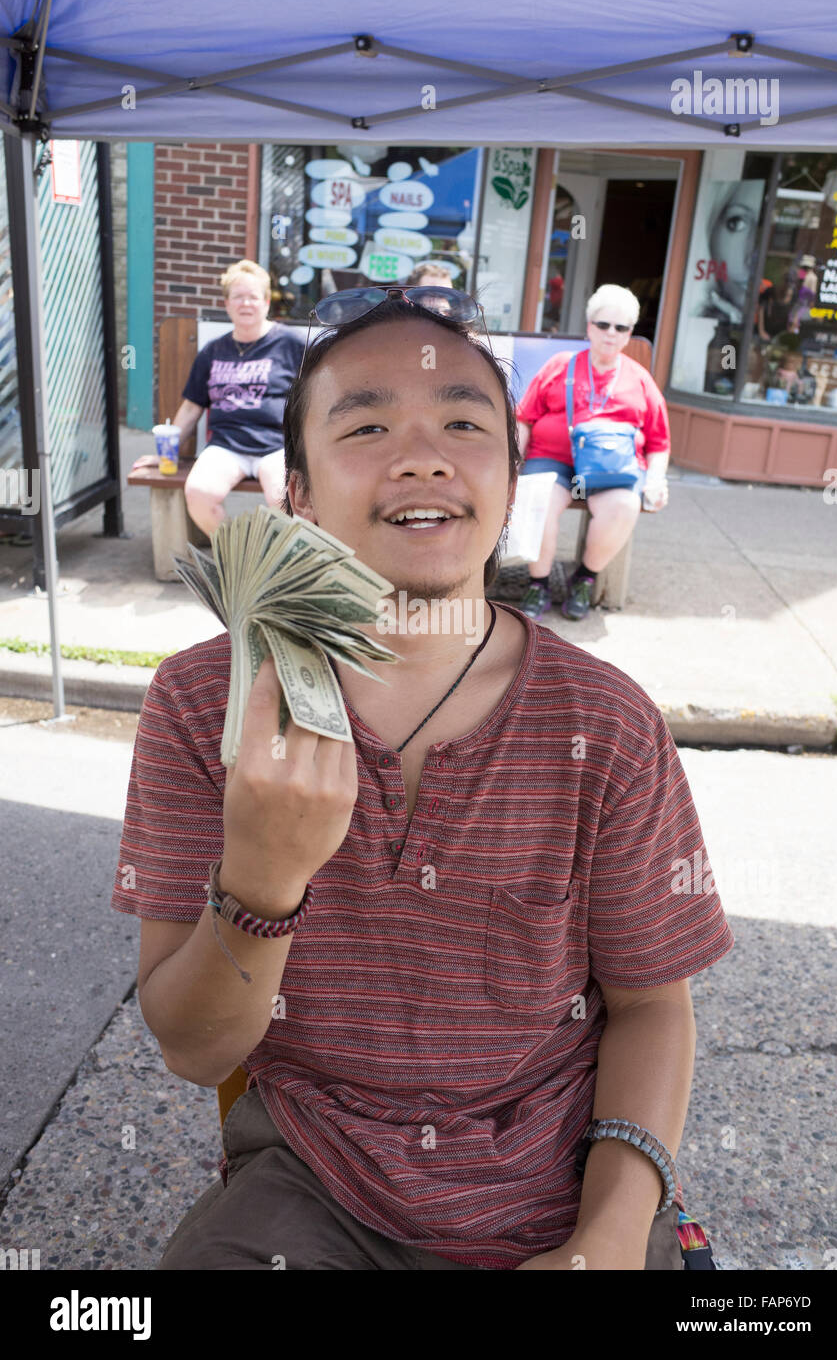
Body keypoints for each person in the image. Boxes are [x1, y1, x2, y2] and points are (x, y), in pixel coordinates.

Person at [111, 287, 733, 1271]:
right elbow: (195, 1048)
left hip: (564, 1178)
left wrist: (607, 1238)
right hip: (315, 1181)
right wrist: (264, 882)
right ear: (298, 491)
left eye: (462, 423)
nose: (425, 455)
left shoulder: (606, 720)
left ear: (511, 470)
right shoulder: (203, 704)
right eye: (366, 423)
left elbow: (654, 1005)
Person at [514, 283, 671, 621]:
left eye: (621, 327)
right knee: (537, 500)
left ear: (629, 334)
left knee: (624, 506)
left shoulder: (640, 379)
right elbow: (524, 418)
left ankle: (585, 577)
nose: (610, 333)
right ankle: (537, 583)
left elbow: (659, 442)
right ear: (589, 327)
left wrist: (656, 480)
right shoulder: (560, 365)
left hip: (609, 467)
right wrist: (512, 463)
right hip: (552, 459)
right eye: (603, 325)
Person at [164, 259, 305, 539]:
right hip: (227, 446)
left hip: (277, 446)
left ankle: (282, 564)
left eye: (253, 297)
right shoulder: (212, 351)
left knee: (284, 498)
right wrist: (165, 452)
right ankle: (237, 555)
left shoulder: (292, 344)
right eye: (238, 297)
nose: (246, 304)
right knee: (198, 492)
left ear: (266, 301)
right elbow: (192, 407)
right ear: (227, 303)